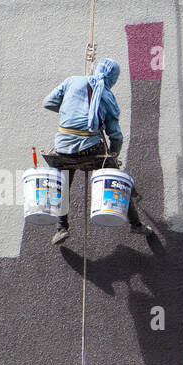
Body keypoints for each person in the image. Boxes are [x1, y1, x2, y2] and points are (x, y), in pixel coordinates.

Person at [42, 57, 149, 244]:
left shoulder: (71, 81)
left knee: (63, 183)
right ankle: (136, 224)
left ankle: (61, 228)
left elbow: (48, 102)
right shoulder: (107, 96)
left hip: (63, 148)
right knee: (116, 178)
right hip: (90, 150)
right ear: (113, 78)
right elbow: (115, 135)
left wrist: (70, 112)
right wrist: (114, 155)